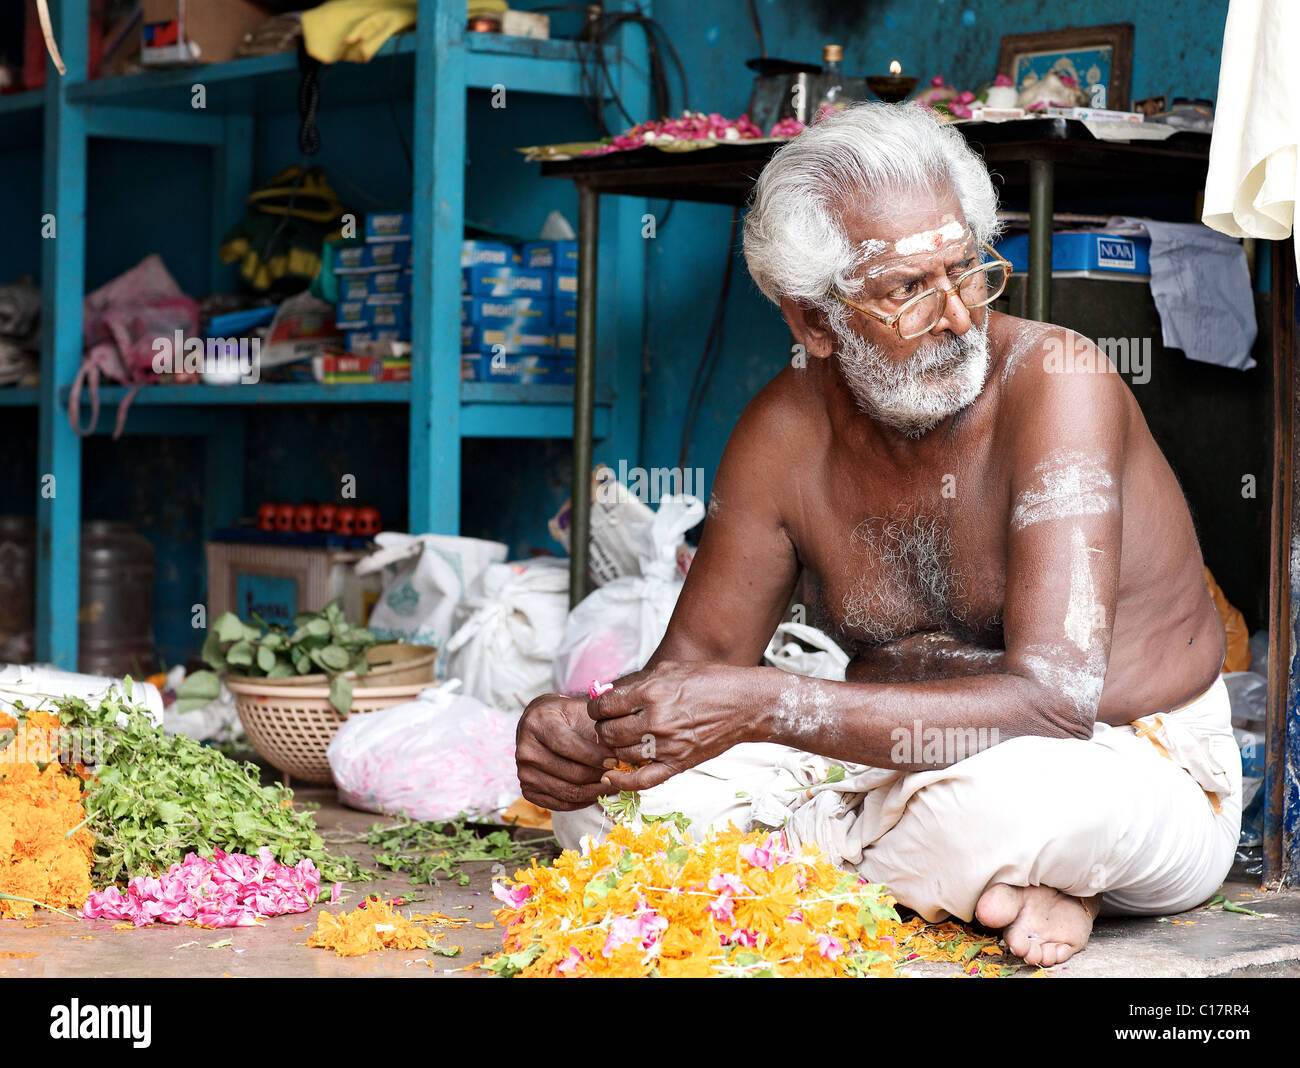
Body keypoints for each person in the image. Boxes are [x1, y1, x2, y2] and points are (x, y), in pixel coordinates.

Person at [516, 102, 1241, 967]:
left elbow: (1051, 705)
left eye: (967, 269)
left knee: (1013, 806)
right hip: (882, 766)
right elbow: (697, 671)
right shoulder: (782, 434)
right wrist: (586, 731)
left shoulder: (1059, 382)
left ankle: (902, 862)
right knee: (601, 806)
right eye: (907, 290)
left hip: (1108, 759)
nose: (960, 317)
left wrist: (771, 705)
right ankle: (971, 882)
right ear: (813, 322)